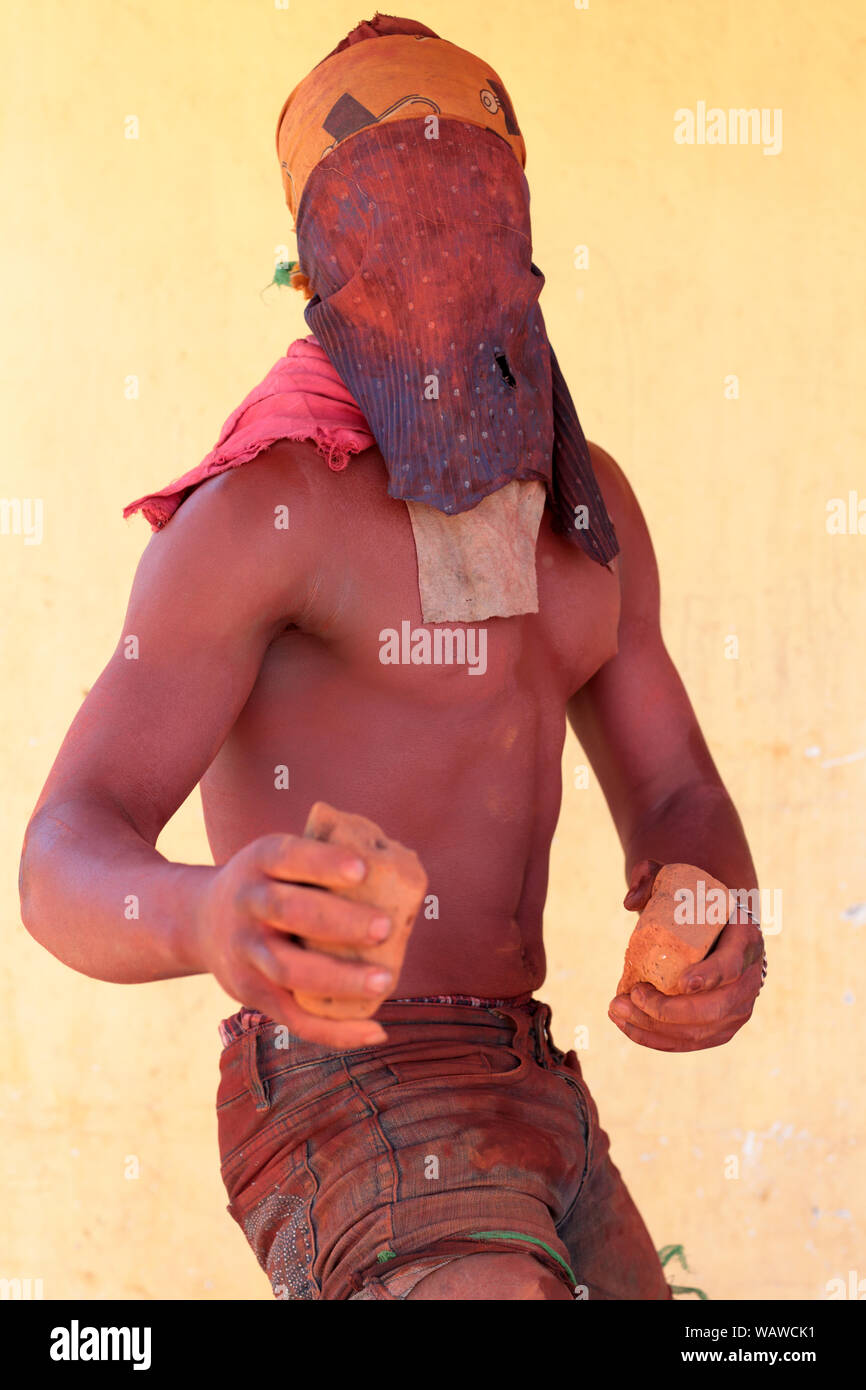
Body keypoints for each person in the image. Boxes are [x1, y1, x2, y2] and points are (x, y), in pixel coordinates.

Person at [19, 13, 764, 1301]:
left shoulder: (588, 514)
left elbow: (680, 794)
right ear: (315, 266)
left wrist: (722, 922)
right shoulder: (263, 515)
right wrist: (206, 912)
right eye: (387, 224)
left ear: (526, 236)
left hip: (531, 1079)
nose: (436, 255)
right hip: (339, 1081)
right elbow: (57, 852)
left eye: (470, 210)